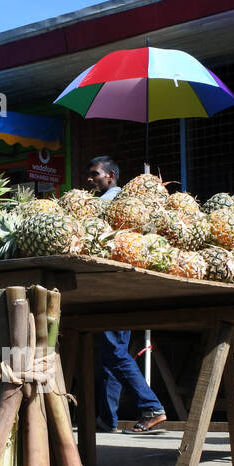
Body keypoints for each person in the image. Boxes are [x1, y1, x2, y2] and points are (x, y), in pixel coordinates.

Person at [86, 156, 167, 433]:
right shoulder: (113, 201)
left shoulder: (110, 202)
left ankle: (151, 406)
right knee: (112, 354)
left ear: (110, 175)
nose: (91, 179)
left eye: (95, 174)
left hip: (113, 287)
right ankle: (107, 418)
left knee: (114, 352)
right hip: (122, 288)